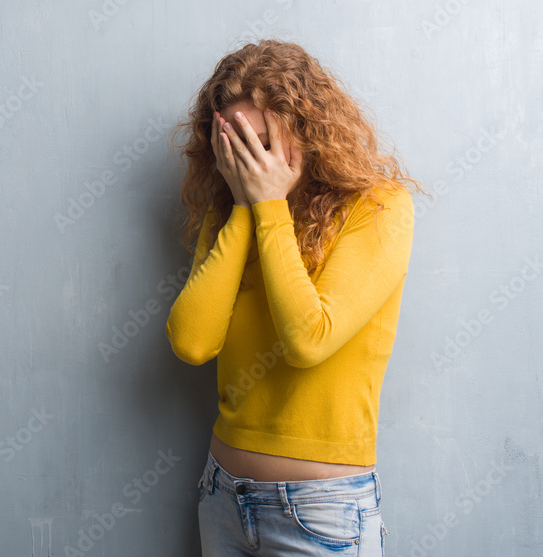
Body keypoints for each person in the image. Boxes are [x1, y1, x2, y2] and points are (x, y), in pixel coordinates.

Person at [165, 39, 429, 556]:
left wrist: (267, 208)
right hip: (222, 497)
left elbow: (310, 339)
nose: (247, 159)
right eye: (233, 144)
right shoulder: (229, 215)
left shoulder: (378, 209)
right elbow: (192, 343)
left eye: (260, 141)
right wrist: (246, 208)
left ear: (306, 129)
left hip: (322, 510)